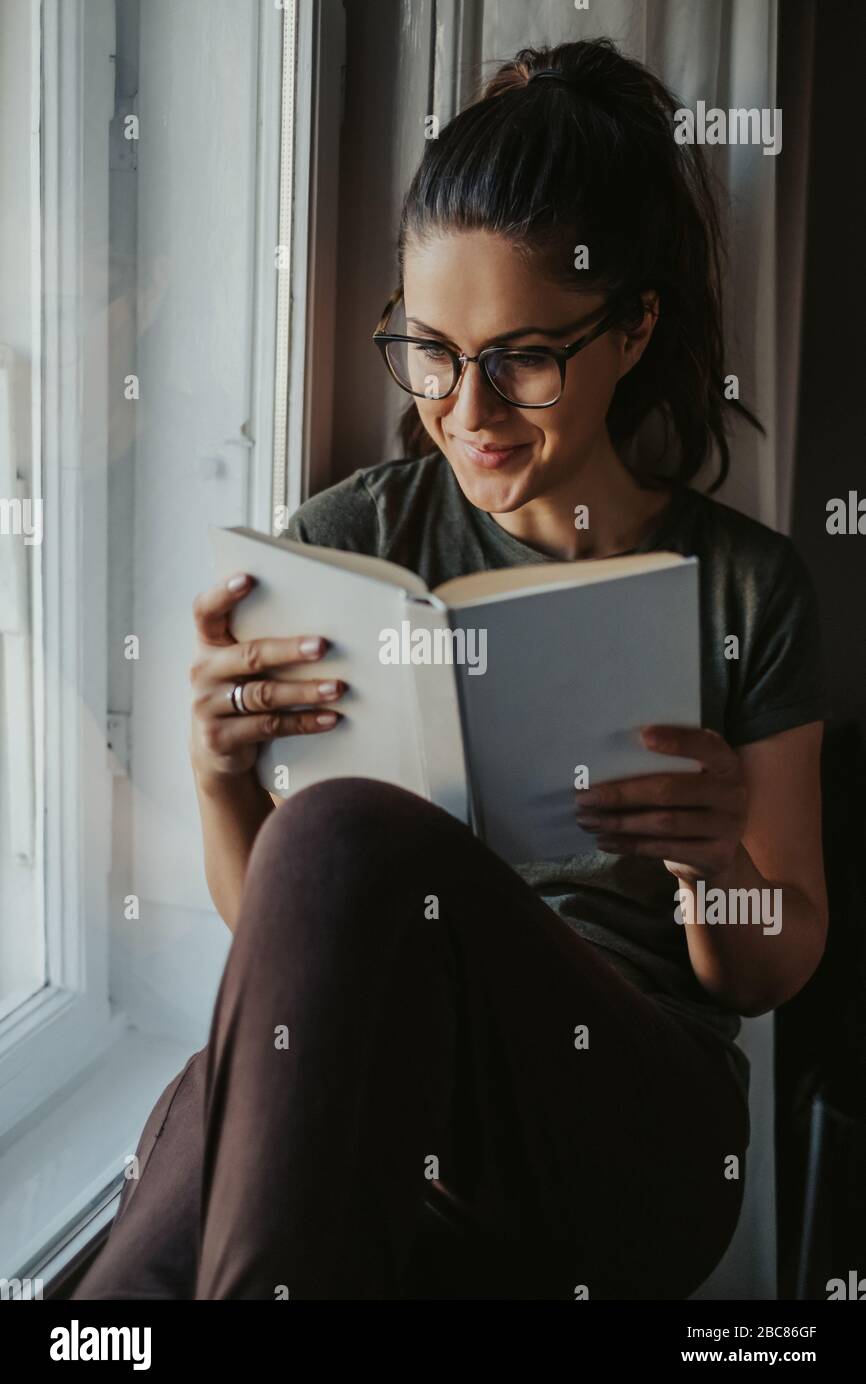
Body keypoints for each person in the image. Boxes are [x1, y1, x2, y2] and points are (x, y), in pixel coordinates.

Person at [73, 37, 828, 1302]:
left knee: (338, 861)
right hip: (380, 1087)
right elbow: (281, 920)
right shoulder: (343, 546)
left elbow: (773, 962)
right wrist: (219, 777)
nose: (465, 411)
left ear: (632, 326)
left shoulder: (746, 587)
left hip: (629, 1128)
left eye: (521, 360)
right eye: (429, 352)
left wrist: (716, 864)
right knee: (216, 1118)